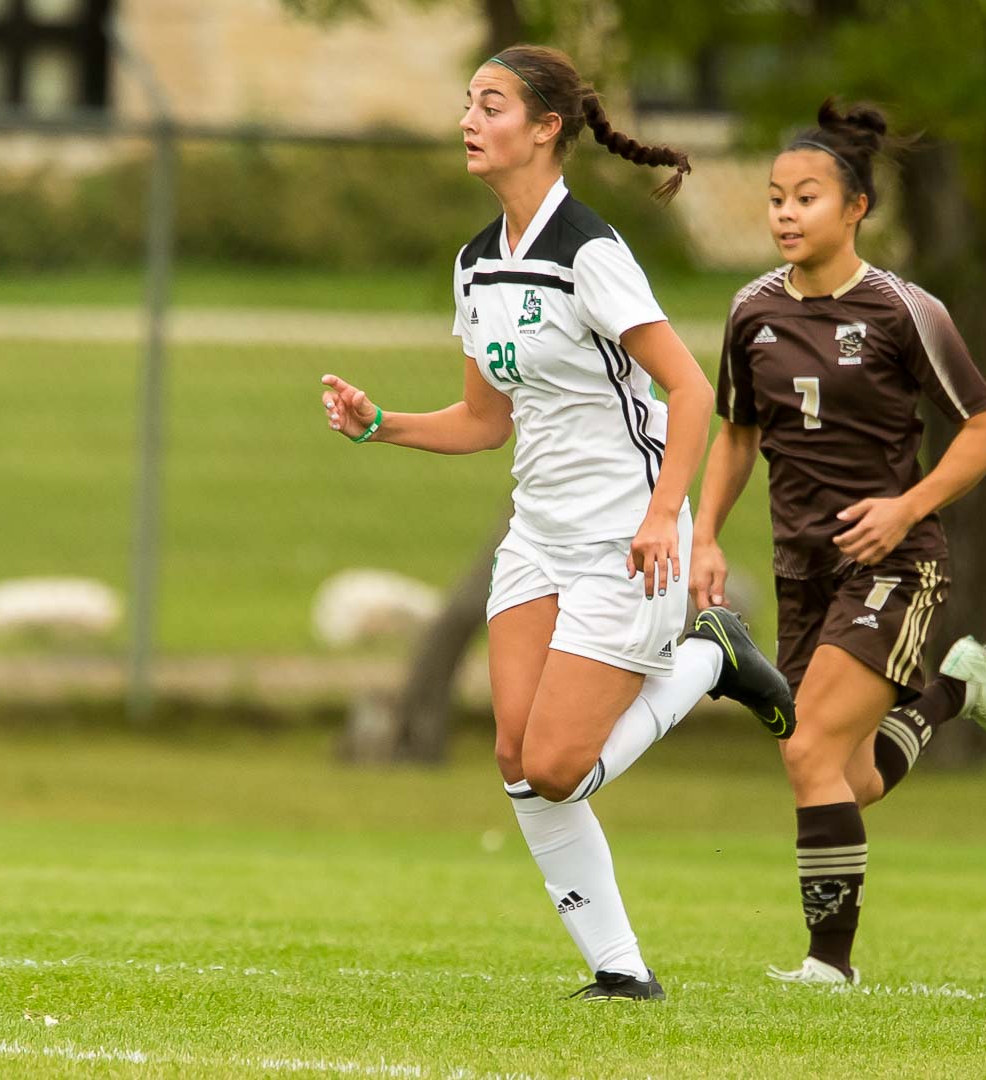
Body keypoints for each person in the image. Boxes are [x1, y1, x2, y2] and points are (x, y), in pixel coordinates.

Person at [319, 44, 794, 1002]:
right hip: (537, 535)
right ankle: (621, 974)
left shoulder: (591, 252)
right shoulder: (475, 262)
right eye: (466, 102)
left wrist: (670, 517)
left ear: (545, 129)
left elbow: (692, 389)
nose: (468, 118)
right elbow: (487, 422)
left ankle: (710, 658)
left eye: (489, 103)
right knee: (514, 757)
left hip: (629, 533)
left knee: (558, 765)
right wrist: (383, 425)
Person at [687, 99, 986, 987]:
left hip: (896, 568)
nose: (786, 214)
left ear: (856, 207)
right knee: (851, 776)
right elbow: (737, 437)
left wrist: (906, 508)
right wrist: (705, 535)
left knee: (807, 755)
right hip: (802, 571)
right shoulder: (751, 310)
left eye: (806, 198)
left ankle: (828, 970)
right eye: (774, 198)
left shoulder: (908, 311)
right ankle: (951, 692)